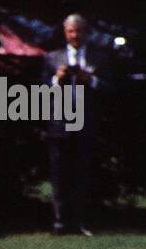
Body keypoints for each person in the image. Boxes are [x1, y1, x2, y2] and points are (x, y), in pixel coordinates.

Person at [42, 13, 111, 236]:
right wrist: (57, 79)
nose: (75, 35)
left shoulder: (98, 57)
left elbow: (111, 87)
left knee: (83, 174)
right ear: (65, 33)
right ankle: (60, 222)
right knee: (59, 176)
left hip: (86, 123)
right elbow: (41, 90)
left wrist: (91, 80)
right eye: (71, 31)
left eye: (79, 31)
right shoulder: (52, 58)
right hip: (59, 125)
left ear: (86, 32)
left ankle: (81, 222)